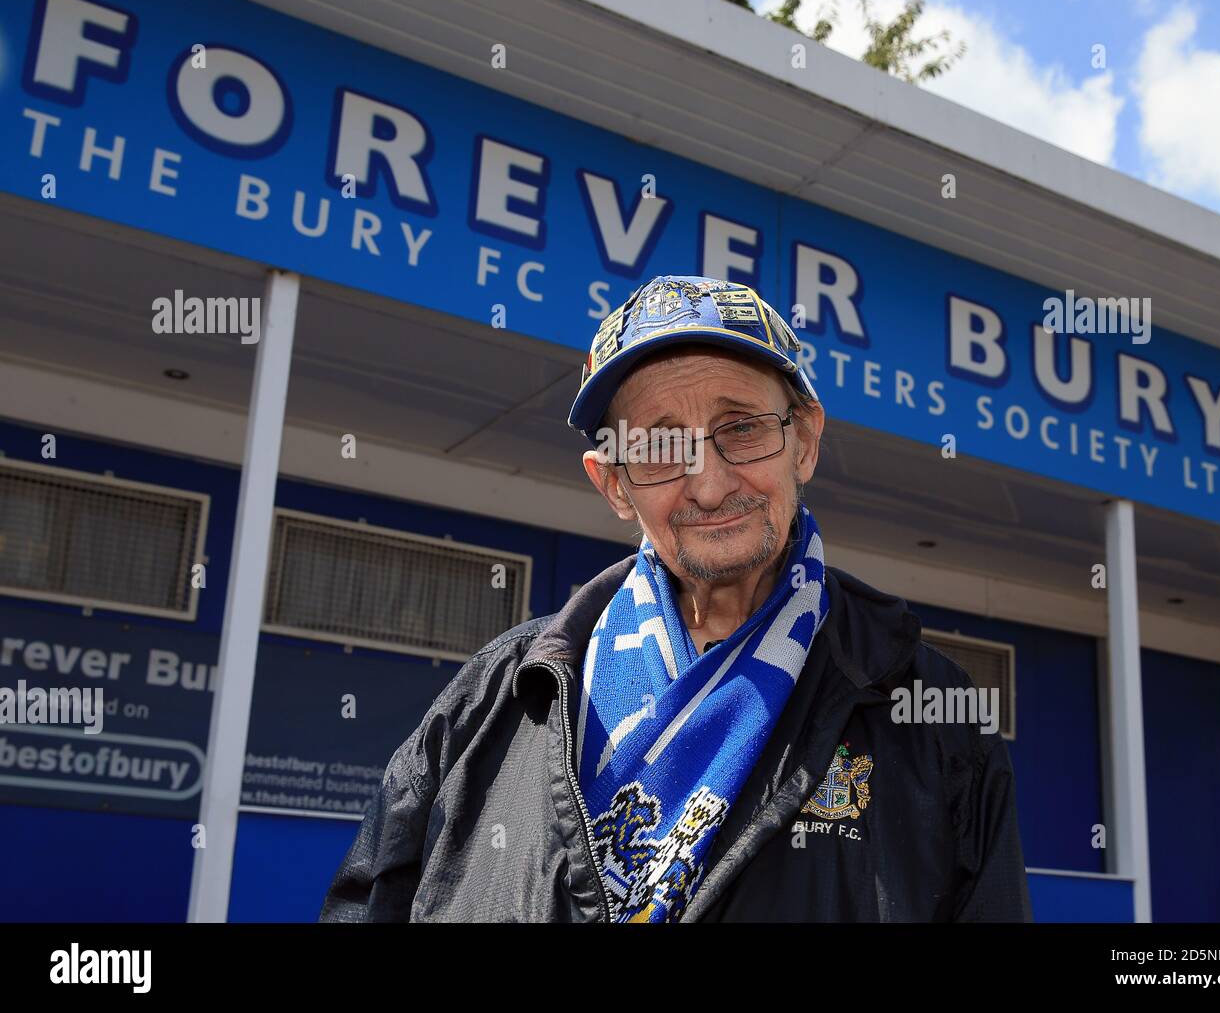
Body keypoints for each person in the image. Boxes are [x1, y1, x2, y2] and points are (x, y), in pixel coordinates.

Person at [319, 275, 1032, 923]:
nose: (711, 484)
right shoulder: (494, 701)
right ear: (614, 484)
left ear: (805, 442)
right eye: (659, 445)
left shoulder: (930, 718)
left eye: (743, 428)